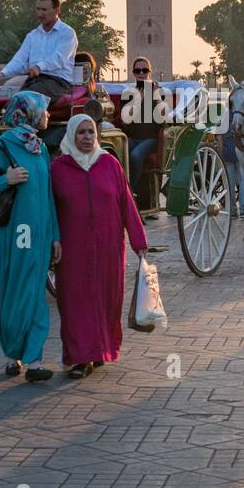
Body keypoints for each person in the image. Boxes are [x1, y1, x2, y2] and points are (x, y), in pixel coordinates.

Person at [0, 91, 61, 383]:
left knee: (33, 295)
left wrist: (54, 236)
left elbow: (48, 195)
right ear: (28, 112)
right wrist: (3, 180)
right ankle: (15, 356)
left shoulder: (40, 149)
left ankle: (32, 360)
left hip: (38, 235)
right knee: (11, 295)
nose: (48, 115)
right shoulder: (1, 147)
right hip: (12, 237)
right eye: (44, 110)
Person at [51, 114, 148, 379]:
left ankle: (101, 350)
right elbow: (50, 210)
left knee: (106, 298)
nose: (86, 138)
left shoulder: (109, 164)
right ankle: (81, 357)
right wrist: (53, 238)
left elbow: (126, 203)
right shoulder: (58, 168)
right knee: (75, 300)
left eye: (90, 132)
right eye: (81, 132)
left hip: (109, 245)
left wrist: (139, 240)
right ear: (71, 135)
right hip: (73, 247)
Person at [0, 0, 79, 103]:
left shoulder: (67, 33)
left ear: (57, 10)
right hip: (34, 82)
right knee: (13, 103)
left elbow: (59, 58)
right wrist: (2, 75)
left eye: (44, 10)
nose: (40, 14)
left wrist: (39, 67)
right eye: (38, 9)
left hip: (58, 83)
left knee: (24, 100)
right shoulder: (32, 36)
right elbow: (19, 60)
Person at [119, 56, 161, 195]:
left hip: (151, 139)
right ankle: (118, 189)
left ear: (150, 72)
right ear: (133, 73)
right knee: (117, 154)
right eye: (138, 71)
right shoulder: (127, 94)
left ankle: (129, 192)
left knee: (135, 156)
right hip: (133, 138)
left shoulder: (157, 92)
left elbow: (163, 117)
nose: (141, 74)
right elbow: (125, 121)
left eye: (145, 70)